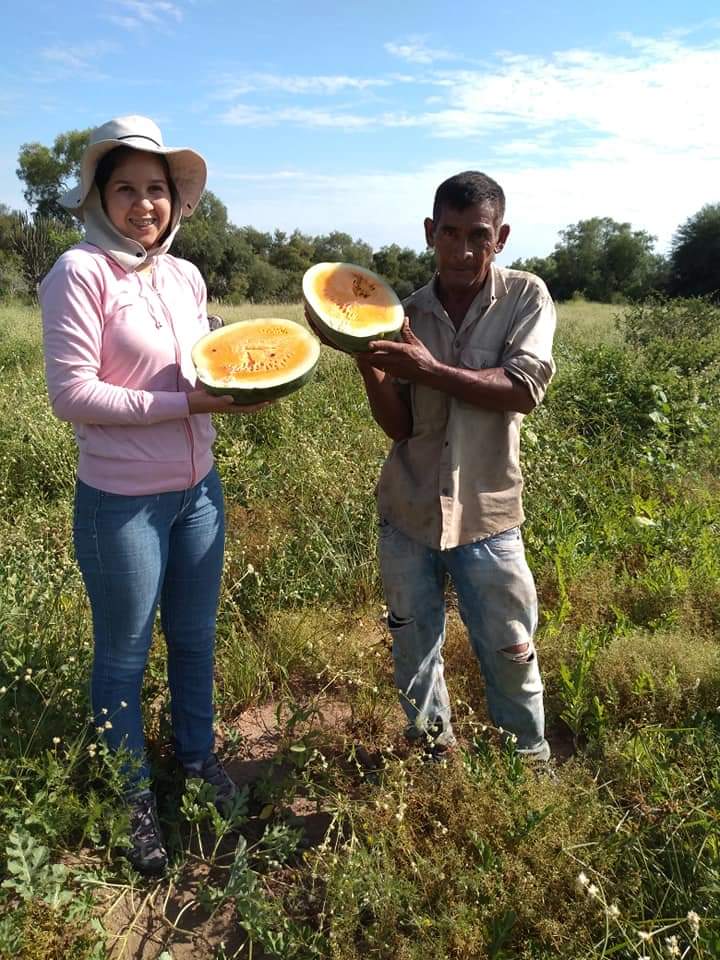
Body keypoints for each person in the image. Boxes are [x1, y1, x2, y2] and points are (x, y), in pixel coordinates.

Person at [40, 116, 268, 875]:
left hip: (198, 493)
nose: (145, 205)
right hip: (122, 502)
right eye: (127, 190)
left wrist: (242, 370)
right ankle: (131, 794)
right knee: (124, 656)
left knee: (197, 640)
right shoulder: (80, 273)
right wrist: (187, 407)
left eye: (157, 190)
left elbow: (199, 364)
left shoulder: (185, 275)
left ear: (175, 199)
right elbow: (72, 395)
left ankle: (198, 766)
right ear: (100, 198)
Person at [314, 171, 556, 761]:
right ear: (430, 232)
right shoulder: (404, 313)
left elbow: (522, 388)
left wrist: (429, 369)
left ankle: (527, 759)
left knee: (509, 647)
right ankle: (433, 751)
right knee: (412, 644)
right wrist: (365, 361)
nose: (463, 250)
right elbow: (400, 426)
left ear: (500, 237)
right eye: (450, 233)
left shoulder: (526, 296)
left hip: (487, 514)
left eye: (479, 235)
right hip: (408, 510)